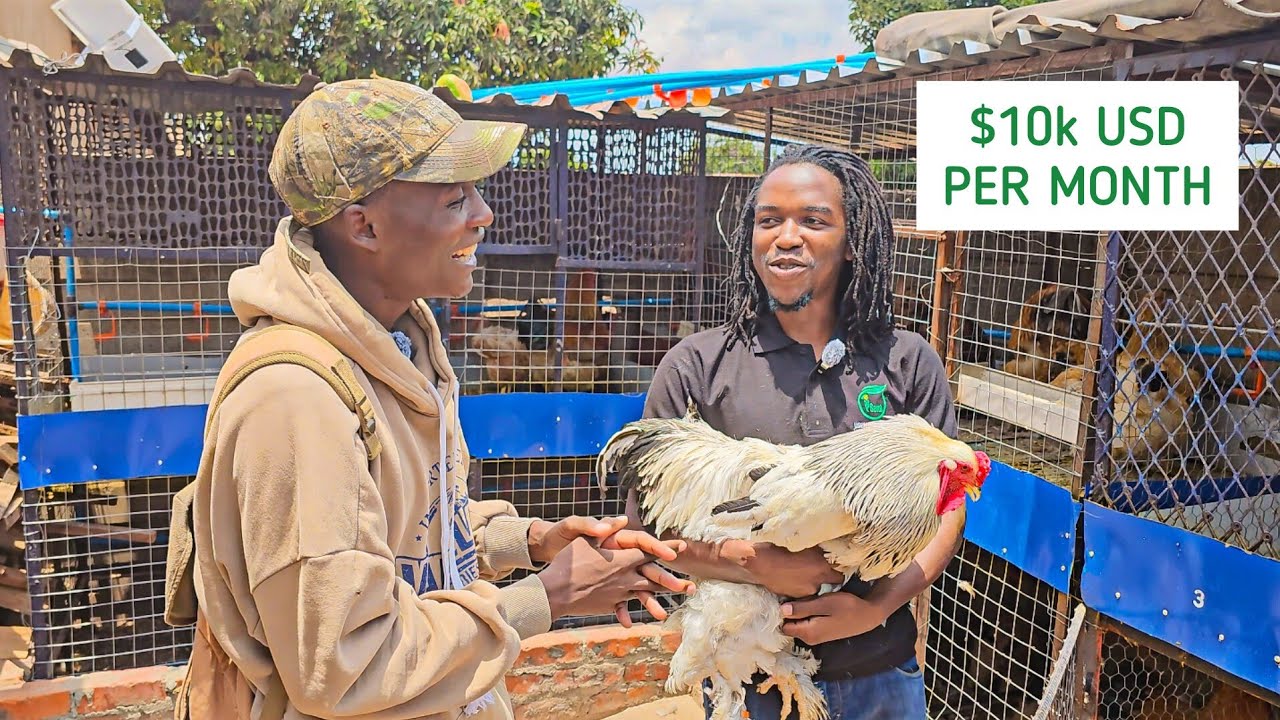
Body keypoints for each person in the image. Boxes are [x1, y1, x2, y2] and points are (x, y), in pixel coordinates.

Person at [173, 77, 692, 720]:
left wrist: (528, 540)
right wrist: (547, 597)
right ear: (363, 226)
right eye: (453, 199)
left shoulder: (401, 350)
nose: (483, 214)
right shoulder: (296, 400)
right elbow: (342, 663)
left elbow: (412, 531)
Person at [629, 144, 963, 719]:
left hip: (880, 670)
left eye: (813, 220)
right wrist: (753, 562)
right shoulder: (697, 366)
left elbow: (949, 507)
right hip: (748, 674)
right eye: (769, 221)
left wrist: (875, 607)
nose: (786, 237)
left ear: (853, 242)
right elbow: (648, 531)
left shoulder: (907, 361)